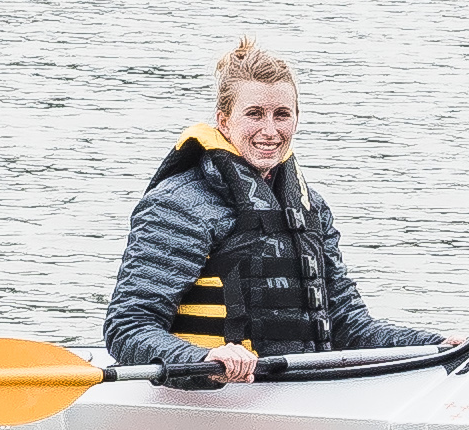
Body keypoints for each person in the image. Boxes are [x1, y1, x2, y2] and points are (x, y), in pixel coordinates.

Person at [103, 40, 442, 384]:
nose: (270, 130)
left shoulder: (312, 207)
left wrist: (437, 345)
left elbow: (348, 325)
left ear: (296, 119)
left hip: (298, 389)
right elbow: (127, 327)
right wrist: (204, 358)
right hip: (211, 396)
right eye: (254, 114)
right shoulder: (178, 204)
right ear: (223, 121)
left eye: (282, 114)